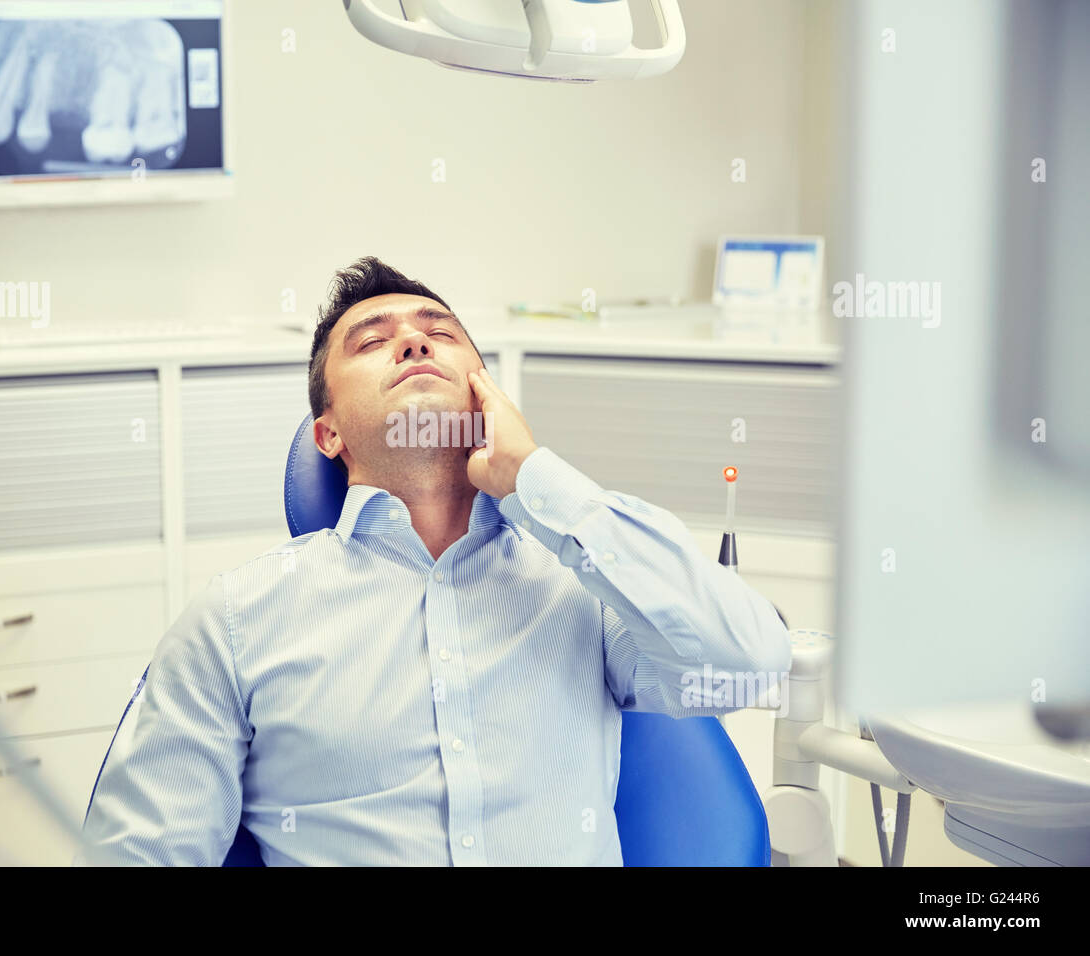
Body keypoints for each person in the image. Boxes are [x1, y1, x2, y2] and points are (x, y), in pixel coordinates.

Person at [77, 256, 792, 865]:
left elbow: (750, 665)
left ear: (486, 394)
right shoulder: (236, 620)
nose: (415, 344)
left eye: (439, 333)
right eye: (371, 342)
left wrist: (537, 478)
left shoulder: (583, 588)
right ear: (327, 433)